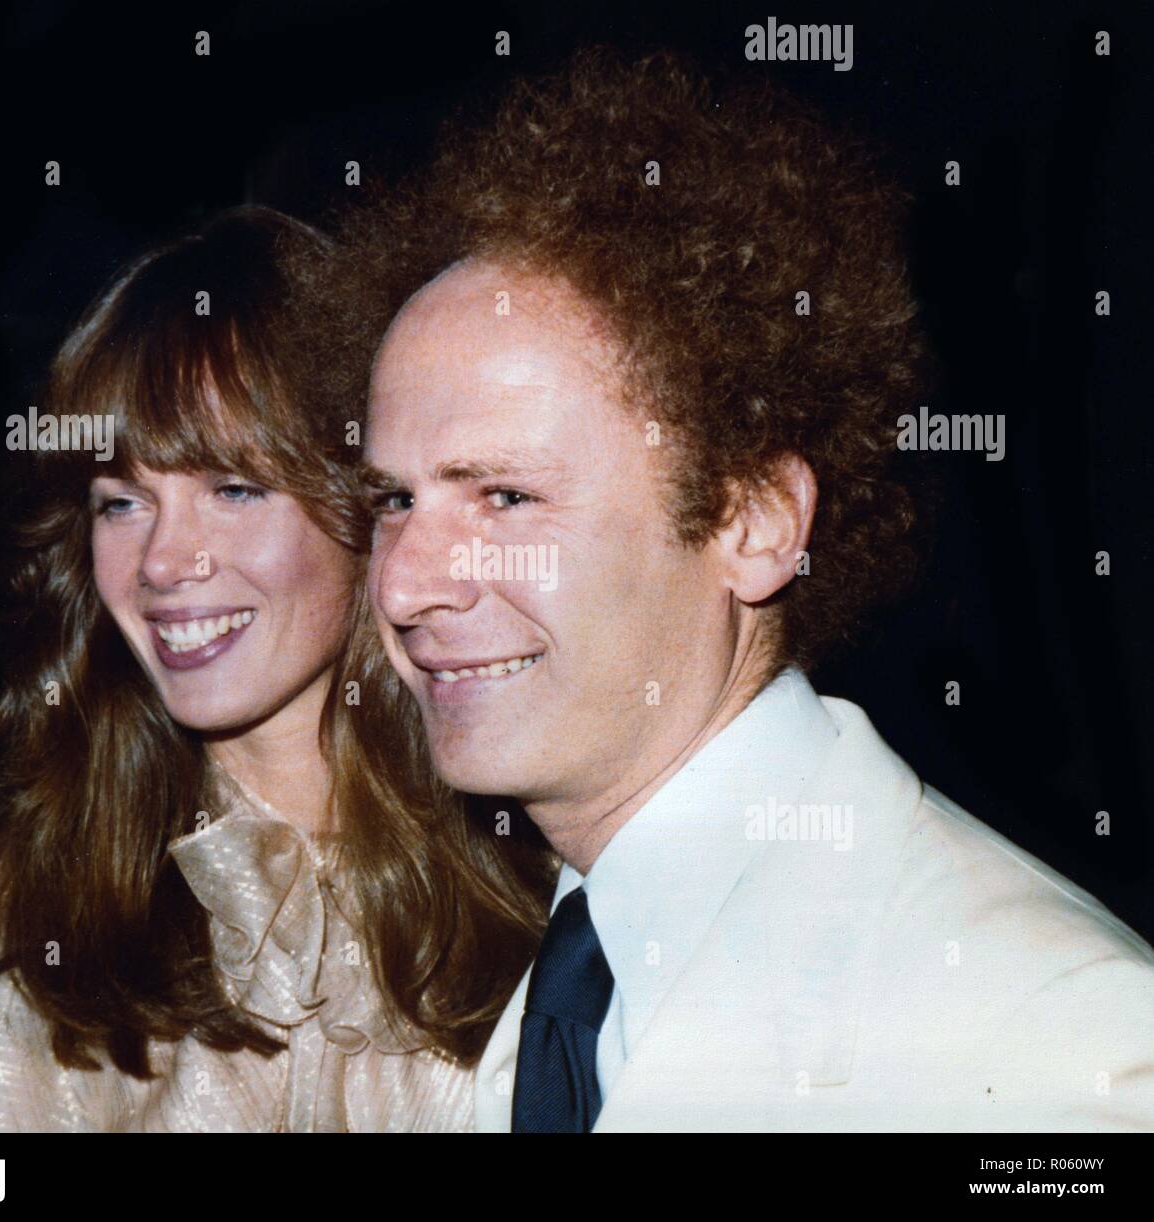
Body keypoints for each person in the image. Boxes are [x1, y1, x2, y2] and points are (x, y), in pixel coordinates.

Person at [332, 49, 1154, 1131]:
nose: (404, 587)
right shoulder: (569, 969)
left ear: (756, 525)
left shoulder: (1055, 1044)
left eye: (506, 497)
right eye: (394, 501)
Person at [0, 206, 552, 1132]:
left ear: (364, 504)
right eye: (121, 503)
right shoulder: (49, 895)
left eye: (234, 489)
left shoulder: (534, 855)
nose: (164, 563)